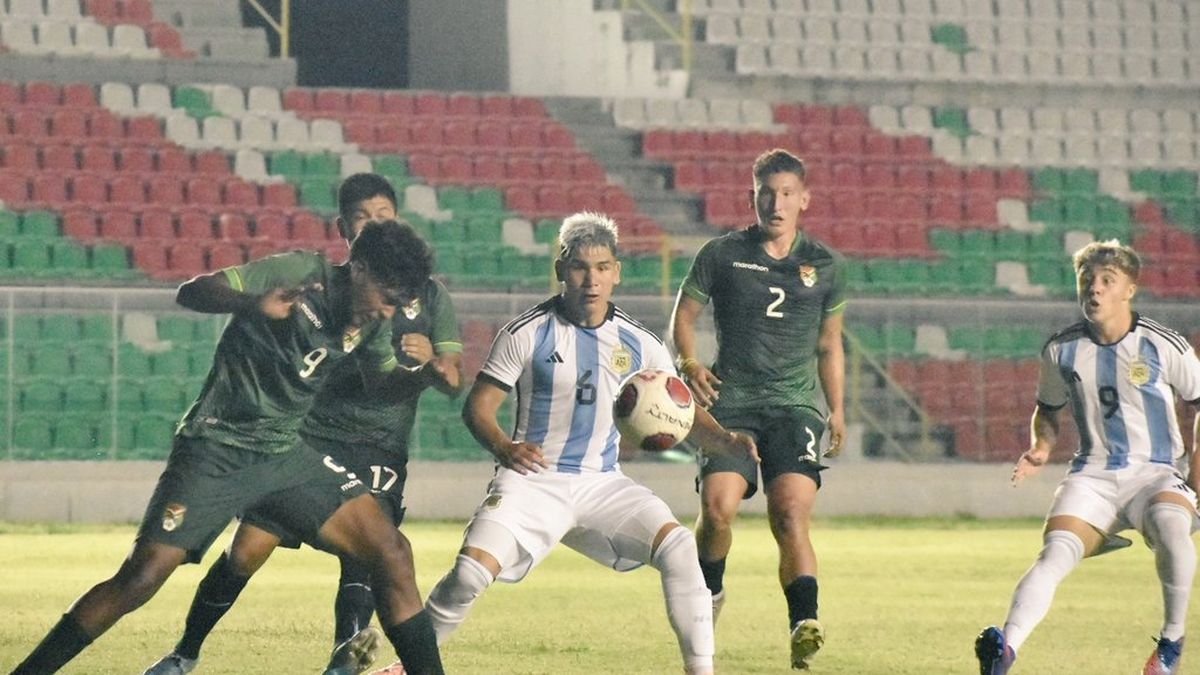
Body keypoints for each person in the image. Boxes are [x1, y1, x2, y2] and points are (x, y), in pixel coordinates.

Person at [12, 220, 445, 675]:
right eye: (385, 298)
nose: (387, 314)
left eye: (397, 306)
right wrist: (251, 303)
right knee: (141, 578)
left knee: (391, 551)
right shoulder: (298, 272)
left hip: (283, 453)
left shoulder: (372, 325)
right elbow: (193, 291)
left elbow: (377, 387)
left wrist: (425, 374)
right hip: (216, 447)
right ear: (359, 269)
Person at [376, 212, 757, 675]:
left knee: (678, 548)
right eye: (579, 267)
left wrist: (724, 439)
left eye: (601, 268)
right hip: (532, 482)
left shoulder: (642, 344)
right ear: (561, 269)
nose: (590, 280)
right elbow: (477, 408)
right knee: (468, 574)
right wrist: (504, 448)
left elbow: (680, 412)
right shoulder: (525, 333)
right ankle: (406, 668)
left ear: (616, 272)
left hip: (602, 483)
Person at [142, 175, 463, 675]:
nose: (374, 224)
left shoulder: (430, 296)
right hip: (309, 433)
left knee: (371, 555)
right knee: (246, 551)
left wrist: (428, 371)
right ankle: (186, 651)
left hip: (380, 441)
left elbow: (448, 372)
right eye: (362, 217)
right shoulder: (323, 287)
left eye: (384, 215)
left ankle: (344, 662)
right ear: (345, 229)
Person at [976, 240, 1200, 675]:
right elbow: (1047, 409)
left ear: (1128, 290)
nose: (1093, 290)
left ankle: (1171, 643)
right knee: (1054, 554)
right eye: (1086, 281)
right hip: (1092, 474)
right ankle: (1006, 650)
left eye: (1106, 281)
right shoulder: (1061, 349)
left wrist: (1198, 480)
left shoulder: (1163, 344)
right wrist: (1041, 447)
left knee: (1173, 528)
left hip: (1157, 473)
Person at [668, 148, 846, 670]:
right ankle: (712, 594)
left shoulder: (826, 266)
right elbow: (684, 316)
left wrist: (836, 409)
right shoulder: (722, 254)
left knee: (790, 512)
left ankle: (803, 623)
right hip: (731, 408)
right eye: (767, 193)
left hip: (794, 408)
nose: (777, 202)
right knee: (718, 510)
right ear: (753, 196)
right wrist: (689, 361)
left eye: (787, 193)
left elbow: (830, 344)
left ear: (804, 200)